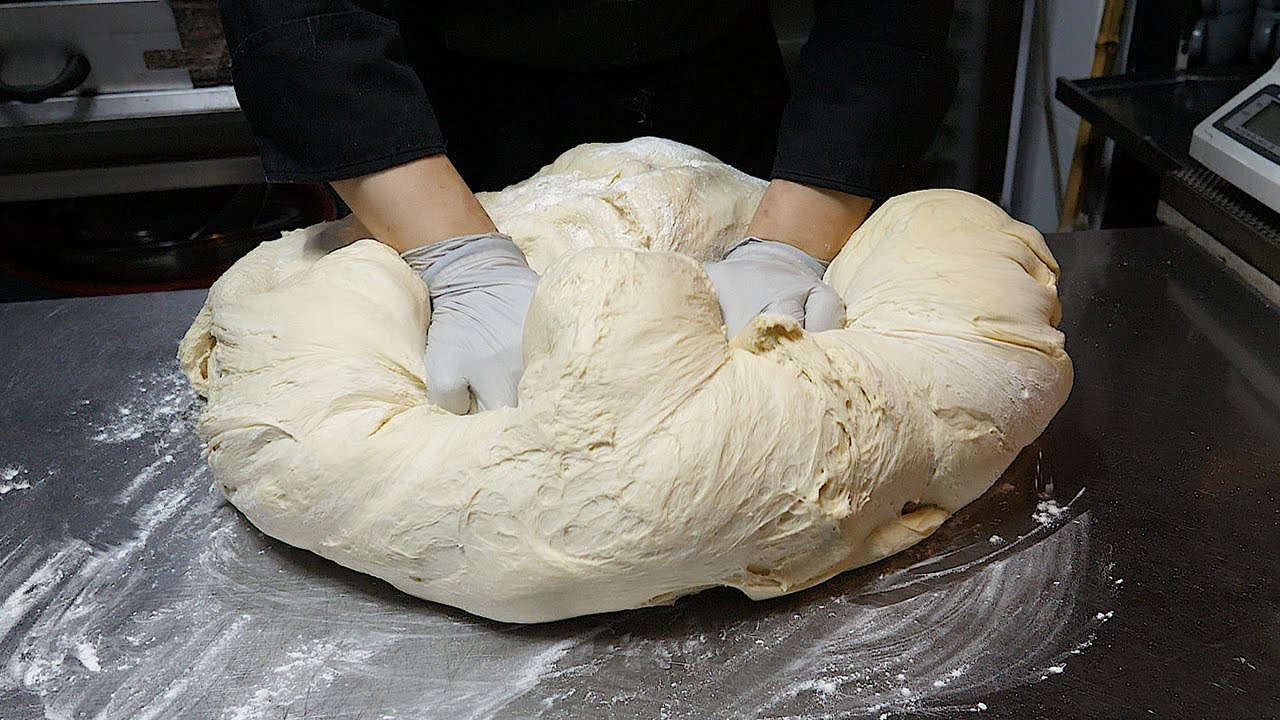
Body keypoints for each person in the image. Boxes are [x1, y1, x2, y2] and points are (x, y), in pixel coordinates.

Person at [217, 1, 957, 413]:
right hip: (445, 118)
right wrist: (457, 256)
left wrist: (790, 243)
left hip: (722, 94)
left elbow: (888, 18)